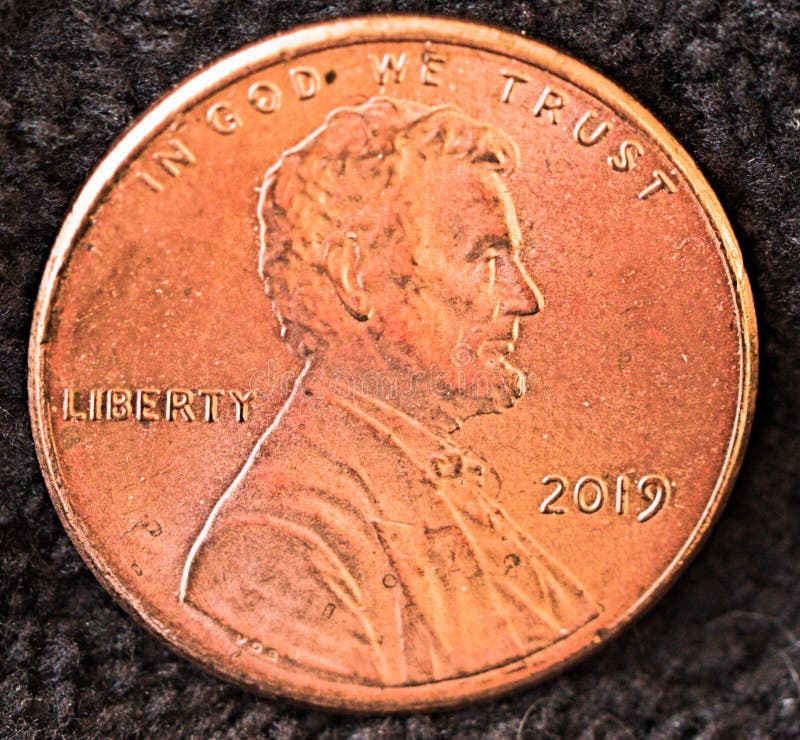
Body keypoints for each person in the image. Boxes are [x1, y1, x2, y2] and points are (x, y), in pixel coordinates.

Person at [179, 97, 598, 685]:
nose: (524, 296)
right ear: (354, 277)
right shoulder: (279, 549)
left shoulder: (433, 487)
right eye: (487, 256)